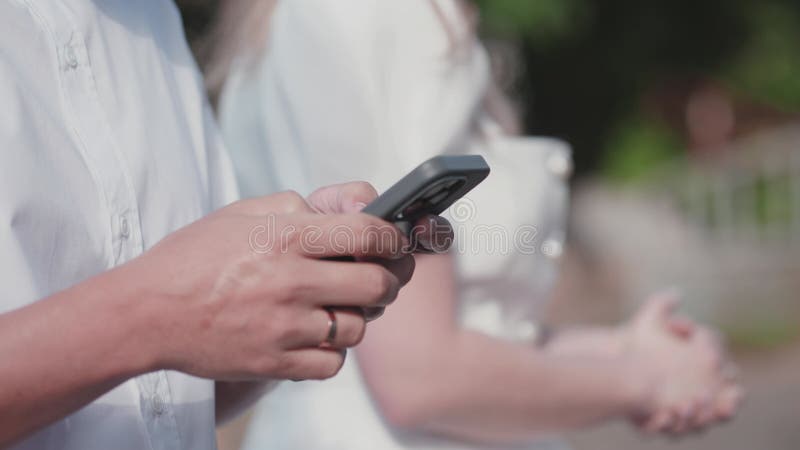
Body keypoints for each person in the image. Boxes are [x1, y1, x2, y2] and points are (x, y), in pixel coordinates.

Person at [211, 0, 744, 449]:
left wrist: (624, 350)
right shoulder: (379, 14)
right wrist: (646, 381)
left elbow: (459, 330)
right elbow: (420, 374)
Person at [0, 1, 449, 449]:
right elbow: (165, 314)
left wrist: (290, 287)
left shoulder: (154, 22)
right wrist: (154, 314)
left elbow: (162, 404)